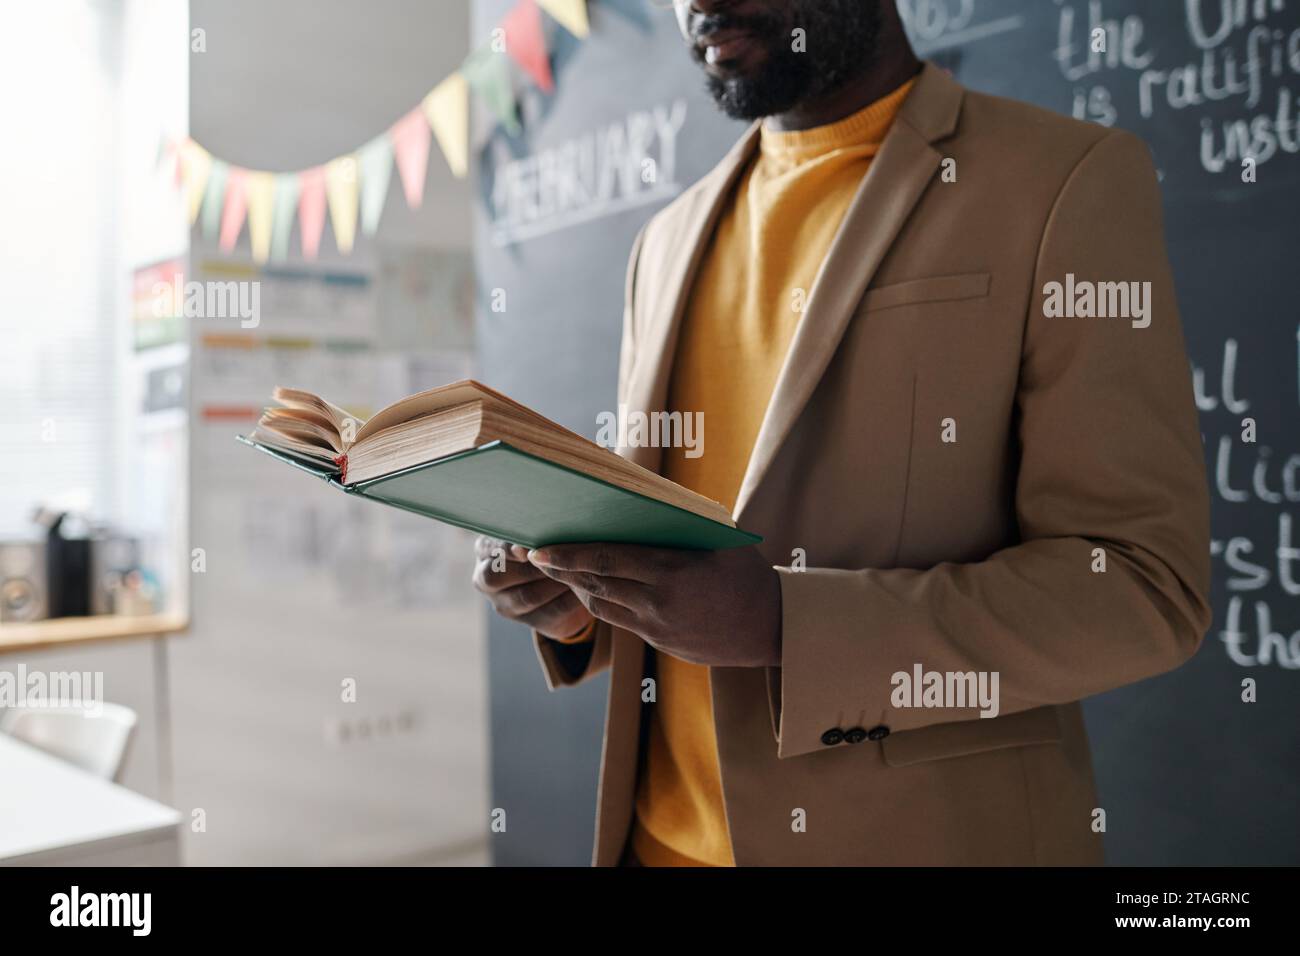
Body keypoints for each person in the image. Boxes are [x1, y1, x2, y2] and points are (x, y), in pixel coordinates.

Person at [472, 0, 1211, 866]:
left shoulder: (1066, 181)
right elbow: (682, 558)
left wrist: (791, 625)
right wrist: (581, 601)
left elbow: (1143, 591)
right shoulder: (664, 242)